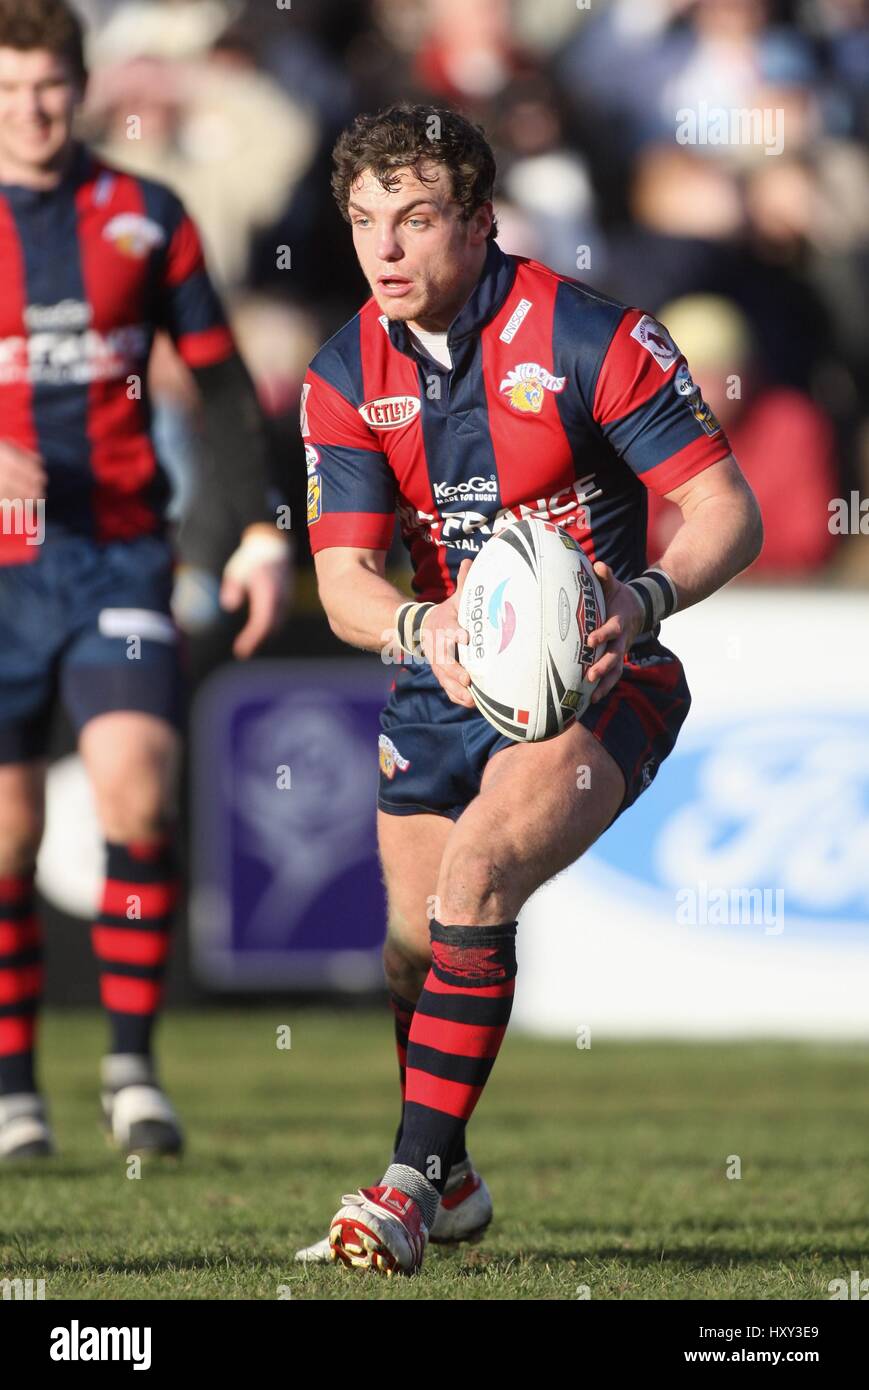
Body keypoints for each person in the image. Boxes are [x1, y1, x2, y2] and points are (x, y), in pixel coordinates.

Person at [297, 102, 762, 1275]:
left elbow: (726, 512)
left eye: (413, 220)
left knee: (475, 876)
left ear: (479, 219)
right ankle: (449, 1178)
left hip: (597, 677)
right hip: (437, 673)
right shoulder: (346, 368)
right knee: (412, 942)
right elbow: (342, 581)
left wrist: (637, 601)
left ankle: (400, 1189)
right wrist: (419, 623)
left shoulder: (589, 336)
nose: (385, 250)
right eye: (363, 224)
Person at [0, 0, 291, 1160]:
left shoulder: (142, 213)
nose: (31, 111)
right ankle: (15, 1081)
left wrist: (258, 532)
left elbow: (219, 387)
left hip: (122, 549)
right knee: (9, 838)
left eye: (50, 88)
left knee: (135, 790)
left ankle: (130, 1065)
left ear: (83, 85)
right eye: (10, 90)